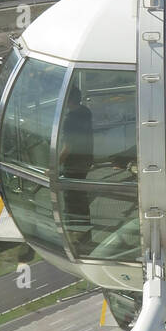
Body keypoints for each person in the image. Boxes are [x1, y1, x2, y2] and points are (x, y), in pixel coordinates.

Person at [60, 84, 94, 239]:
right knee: (80, 195)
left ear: (68, 100)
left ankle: (76, 232)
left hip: (73, 164)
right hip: (85, 159)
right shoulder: (86, 112)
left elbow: (68, 148)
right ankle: (85, 229)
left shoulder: (69, 120)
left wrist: (54, 164)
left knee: (71, 199)